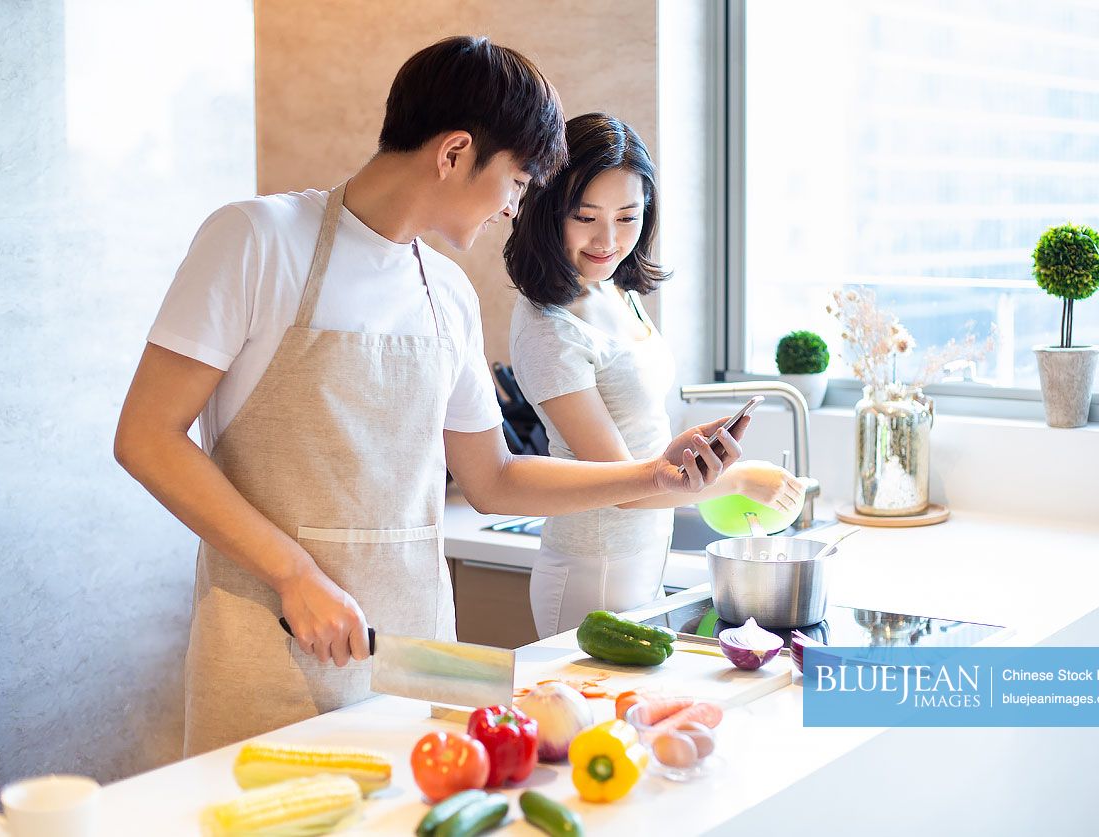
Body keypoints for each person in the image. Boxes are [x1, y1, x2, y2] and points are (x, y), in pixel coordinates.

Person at [114, 38, 747, 756]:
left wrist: (652, 474)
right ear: (452, 154)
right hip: (272, 652)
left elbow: (493, 478)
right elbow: (146, 436)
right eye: (514, 181)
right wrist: (292, 573)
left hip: (419, 658)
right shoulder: (257, 240)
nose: (515, 208)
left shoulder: (446, 292)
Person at [504, 113, 806, 638]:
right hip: (590, 571)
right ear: (549, 211)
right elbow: (623, 486)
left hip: (643, 557)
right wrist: (737, 478)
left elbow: (641, 438)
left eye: (628, 216)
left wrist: (694, 452)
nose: (608, 240)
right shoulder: (547, 326)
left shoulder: (619, 291)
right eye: (585, 216)